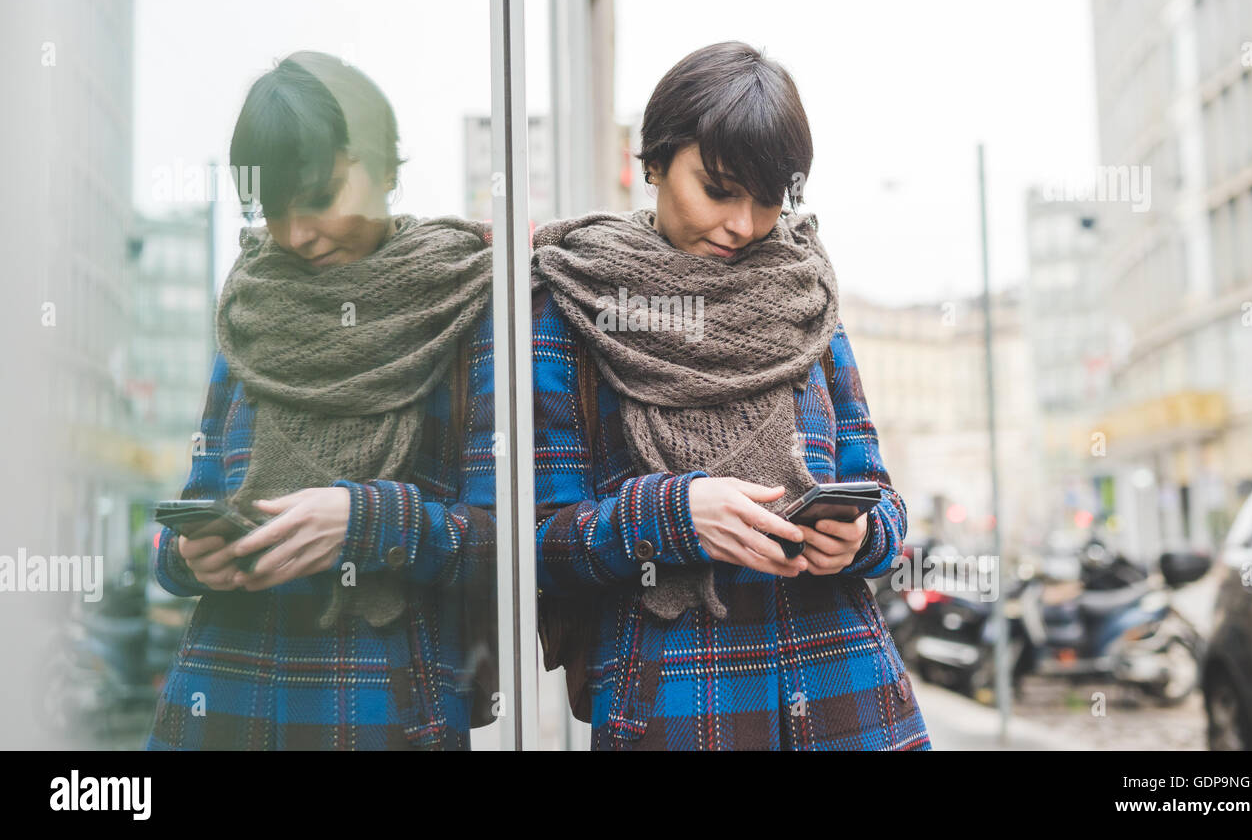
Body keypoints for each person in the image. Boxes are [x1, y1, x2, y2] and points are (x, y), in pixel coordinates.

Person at [531, 41, 931, 750]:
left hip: (850, 702)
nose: (744, 225)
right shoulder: (576, 306)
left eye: (769, 198)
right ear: (651, 162)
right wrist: (673, 513)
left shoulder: (806, 296)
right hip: (681, 711)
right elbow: (542, 548)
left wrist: (862, 537)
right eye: (718, 189)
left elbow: (882, 498)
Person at [146, 52, 496, 750]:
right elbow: (197, 501)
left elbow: (505, 543)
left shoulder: (460, 305)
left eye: (321, 195)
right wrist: (186, 554)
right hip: (225, 696)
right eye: (274, 209)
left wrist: (365, 520)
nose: (298, 233)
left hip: (379, 711)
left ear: (387, 169)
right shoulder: (251, 307)